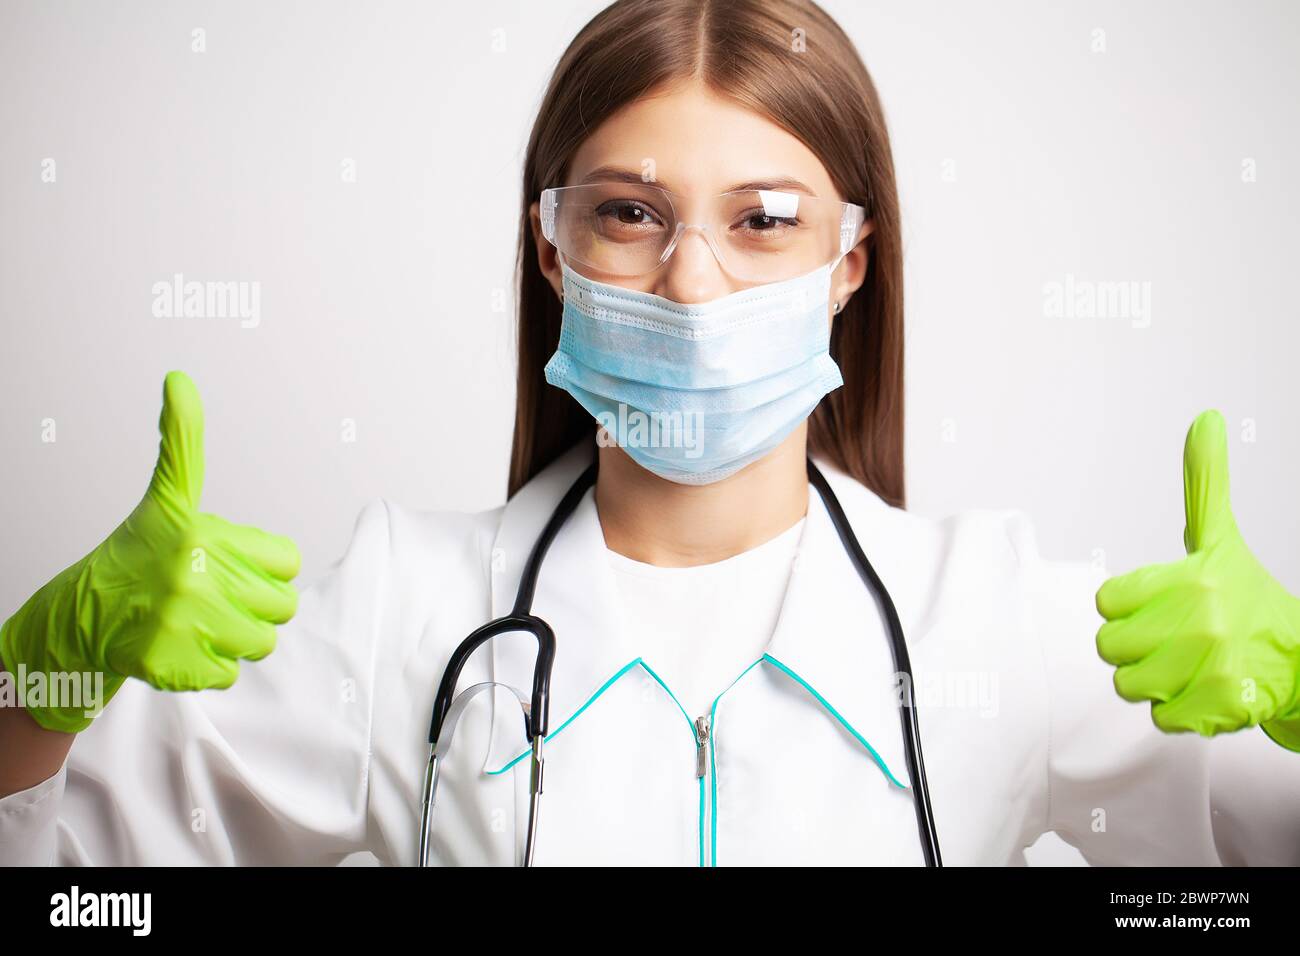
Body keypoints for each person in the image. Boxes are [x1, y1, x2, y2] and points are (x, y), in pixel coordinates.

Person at [3, 0, 1300, 867]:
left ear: (853, 261)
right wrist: (33, 685)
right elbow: (62, 886)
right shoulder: (403, 607)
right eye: (629, 215)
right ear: (552, 250)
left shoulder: (997, 618)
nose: (690, 282)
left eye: (764, 220)